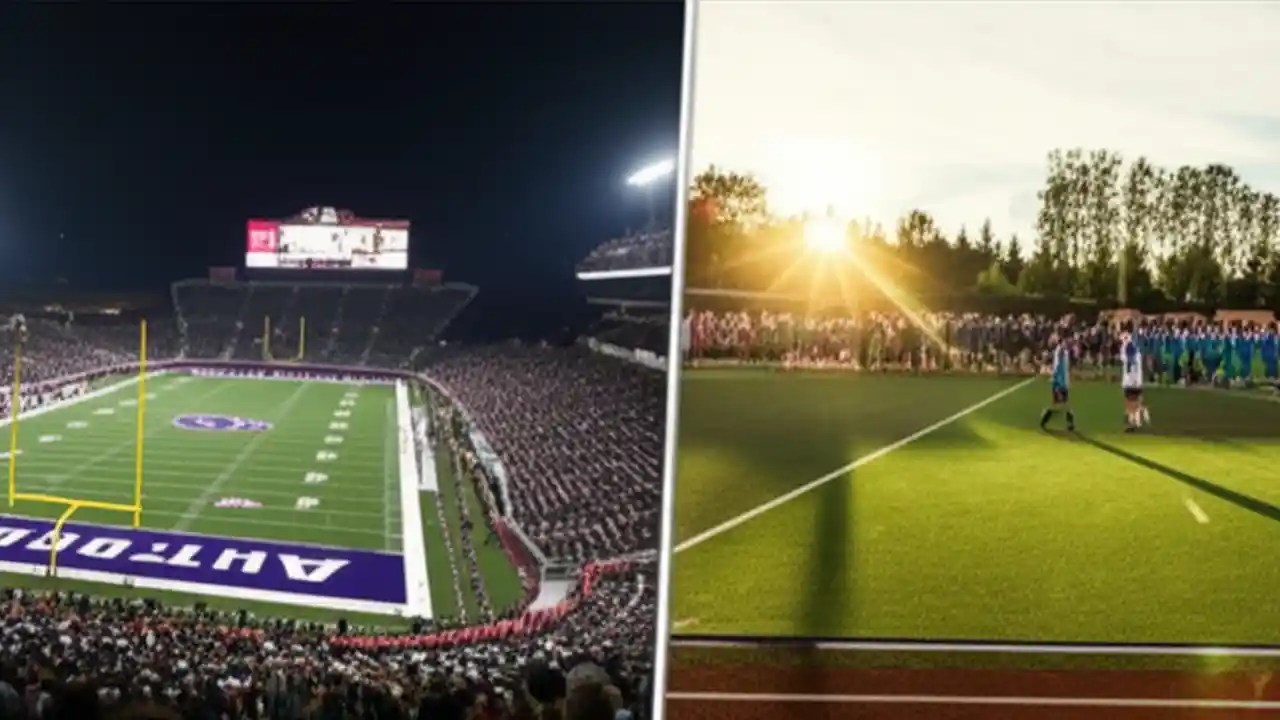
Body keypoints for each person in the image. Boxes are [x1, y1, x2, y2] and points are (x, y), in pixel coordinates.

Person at [1040, 336, 1075, 432]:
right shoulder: (1060, 351)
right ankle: (1045, 419)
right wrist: (1055, 379)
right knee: (1058, 404)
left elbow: (1065, 368)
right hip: (1059, 383)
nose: (1068, 343)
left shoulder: (1064, 352)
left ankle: (1069, 423)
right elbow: (1058, 367)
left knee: (1064, 403)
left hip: (1063, 382)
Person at [1121, 333, 1149, 431]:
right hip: (1137, 383)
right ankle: (1137, 422)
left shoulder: (1126, 358)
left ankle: (1133, 423)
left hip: (1129, 383)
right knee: (1135, 404)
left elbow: (1123, 352)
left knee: (1129, 405)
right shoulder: (1138, 357)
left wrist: (1125, 341)